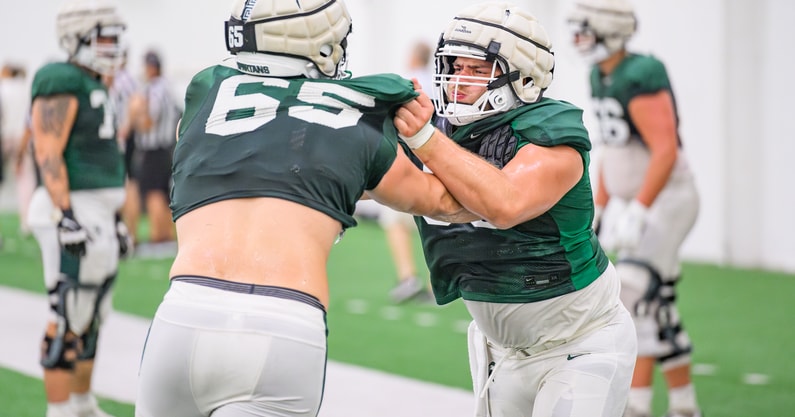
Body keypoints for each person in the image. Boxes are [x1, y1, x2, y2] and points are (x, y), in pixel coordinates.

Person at [133, 1, 469, 416]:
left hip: (184, 314)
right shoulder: (359, 114)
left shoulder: (206, 89)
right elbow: (449, 202)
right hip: (281, 326)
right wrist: (425, 141)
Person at [392, 2, 638, 416]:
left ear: (522, 76)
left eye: (475, 69)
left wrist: (422, 141)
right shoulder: (442, 130)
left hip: (580, 343)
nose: (457, 80)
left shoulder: (551, 132)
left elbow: (504, 203)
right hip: (499, 350)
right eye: (453, 66)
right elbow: (380, 183)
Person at [567, 1, 702, 417]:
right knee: (659, 304)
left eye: (585, 30)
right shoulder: (599, 74)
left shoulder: (639, 74)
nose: (578, 39)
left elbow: (665, 149)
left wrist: (641, 207)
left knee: (631, 294)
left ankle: (635, 406)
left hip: (666, 200)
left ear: (609, 30)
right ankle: (684, 404)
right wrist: (603, 205)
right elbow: (613, 149)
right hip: (635, 202)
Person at [26, 0, 131, 416]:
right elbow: (47, 149)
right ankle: (59, 410)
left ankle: (82, 403)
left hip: (98, 212)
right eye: (105, 37)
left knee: (93, 312)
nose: (112, 46)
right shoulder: (60, 78)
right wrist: (64, 214)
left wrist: (116, 217)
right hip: (71, 210)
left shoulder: (94, 81)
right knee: (67, 311)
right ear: (78, 38)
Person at [126, 49, 179, 248]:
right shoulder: (167, 86)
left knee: (153, 192)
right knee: (164, 192)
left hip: (153, 148)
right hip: (166, 148)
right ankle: (166, 234)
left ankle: (159, 235)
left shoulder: (153, 89)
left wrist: (134, 118)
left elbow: (150, 121)